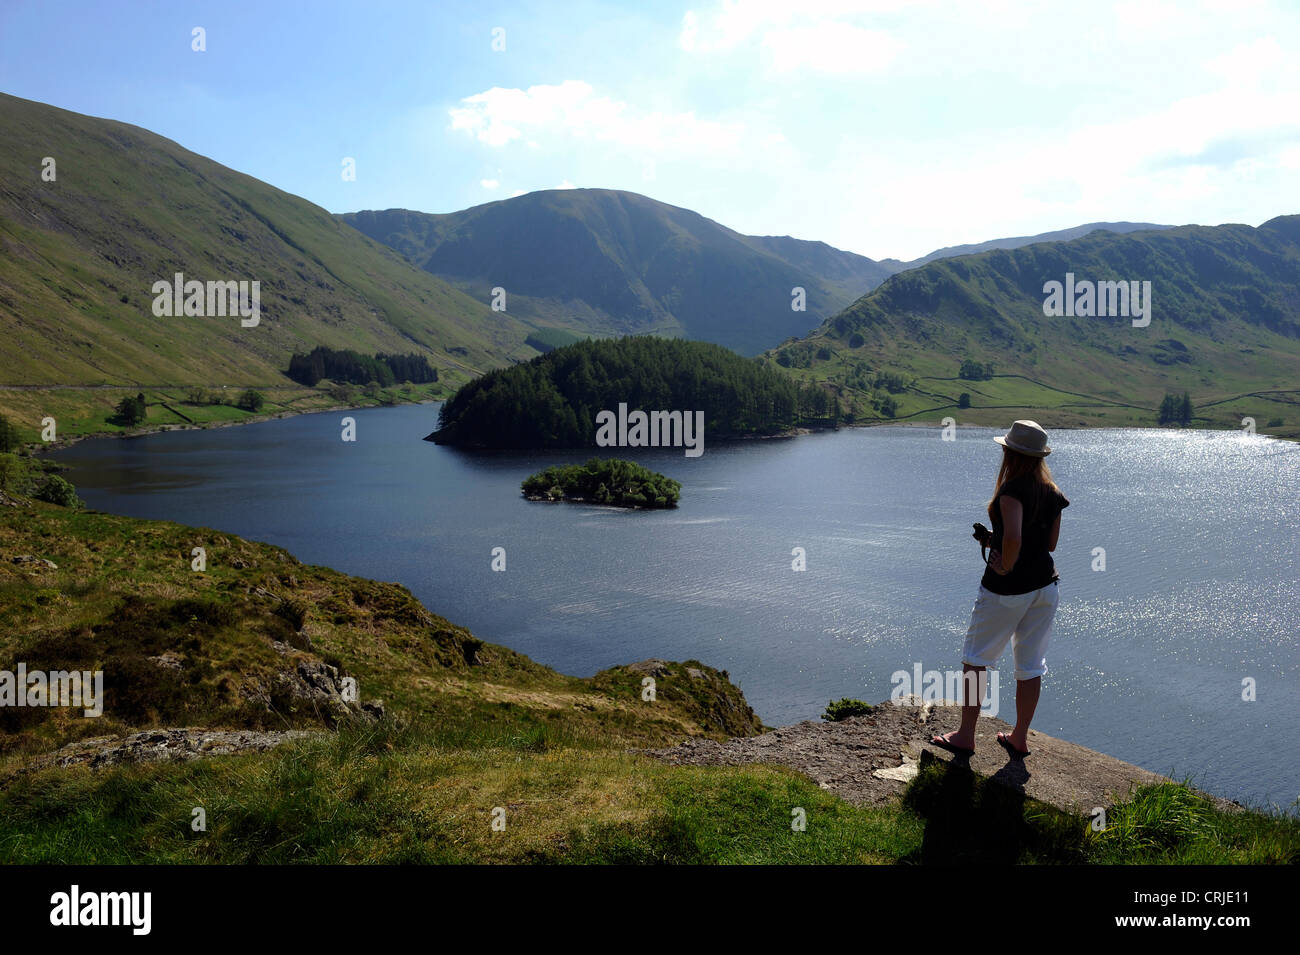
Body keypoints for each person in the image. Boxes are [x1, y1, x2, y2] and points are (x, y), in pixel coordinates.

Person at [931, 420, 1069, 757]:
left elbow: (1015, 539)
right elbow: (1049, 544)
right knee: (1031, 665)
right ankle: (1019, 738)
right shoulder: (1052, 493)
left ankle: (965, 735)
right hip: (1045, 587)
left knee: (976, 660)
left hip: (1006, 590)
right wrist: (997, 543)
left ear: (1009, 452)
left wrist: (1005, 564)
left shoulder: (1011, 490)